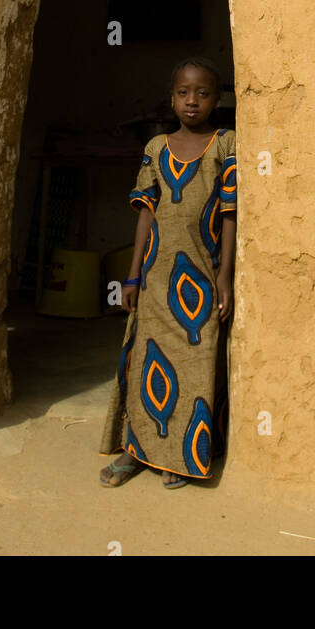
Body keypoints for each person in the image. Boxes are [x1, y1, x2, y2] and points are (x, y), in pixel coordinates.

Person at [99, 57, 236, 489]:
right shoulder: (156, 148)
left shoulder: (225, 144)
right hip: (157, 277)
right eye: (183, 93)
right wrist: (133, 275)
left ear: (217, 99)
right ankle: (136, 452)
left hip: (201, 277)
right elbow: (145, 214)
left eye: (202, 93)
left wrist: (225, 278)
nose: (192, 101)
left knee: (196, 366)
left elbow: (231, 216)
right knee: (144, 363)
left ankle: (181, 456)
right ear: (171, 97)